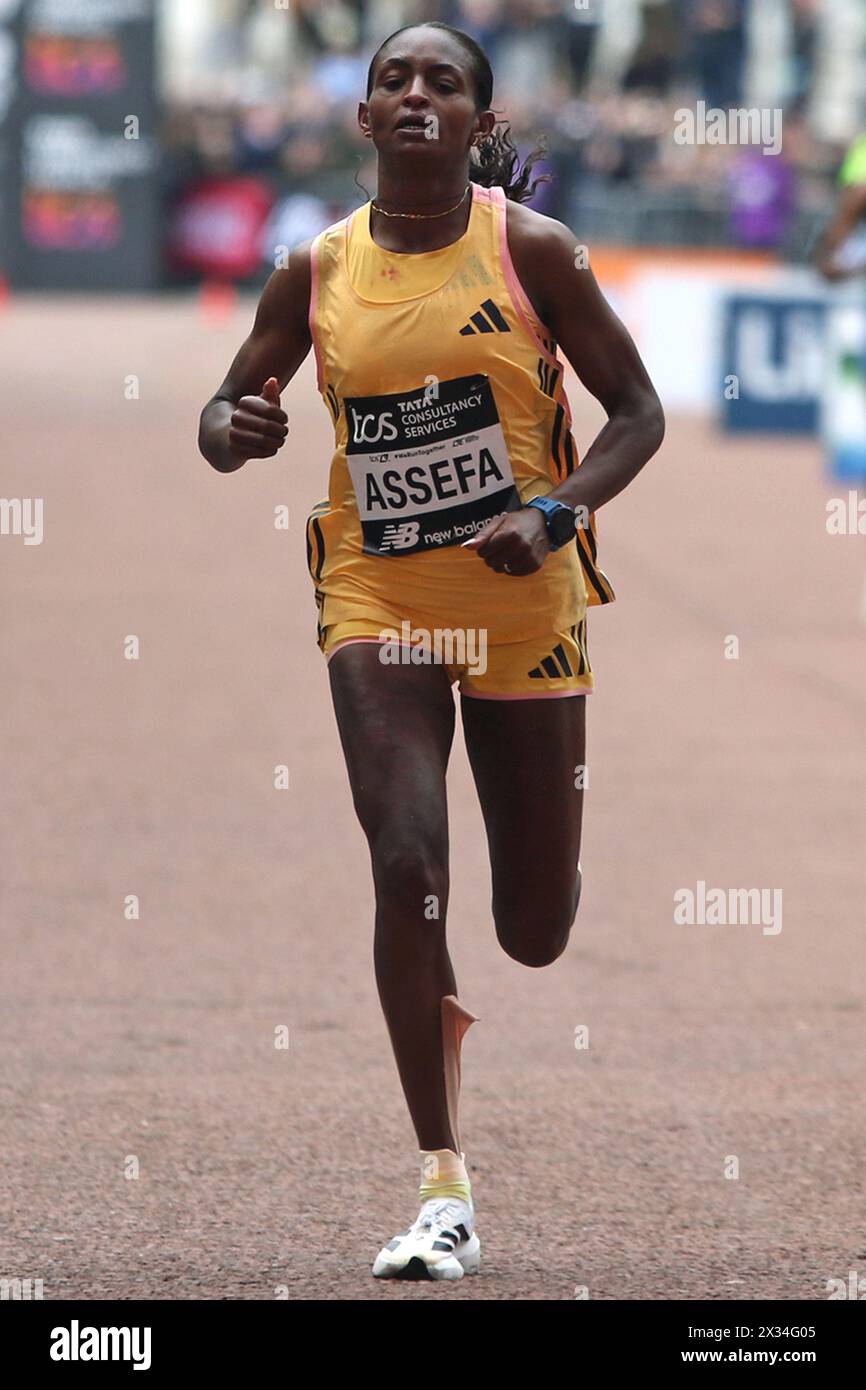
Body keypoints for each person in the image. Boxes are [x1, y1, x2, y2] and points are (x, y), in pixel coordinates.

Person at [198, 20, 664, 1282]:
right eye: (392, 80)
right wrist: (231, 423)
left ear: (475, 122)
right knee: (406, 861)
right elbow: (226, 407)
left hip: (523, 605)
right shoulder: (311, 269)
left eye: (441, 83)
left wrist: (553, 511)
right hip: (377, 602)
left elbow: (638, 412)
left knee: (532, 927)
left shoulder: (534, 253)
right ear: (361, 120)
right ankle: (442, 1185)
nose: (414, 96)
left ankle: (544, 884)